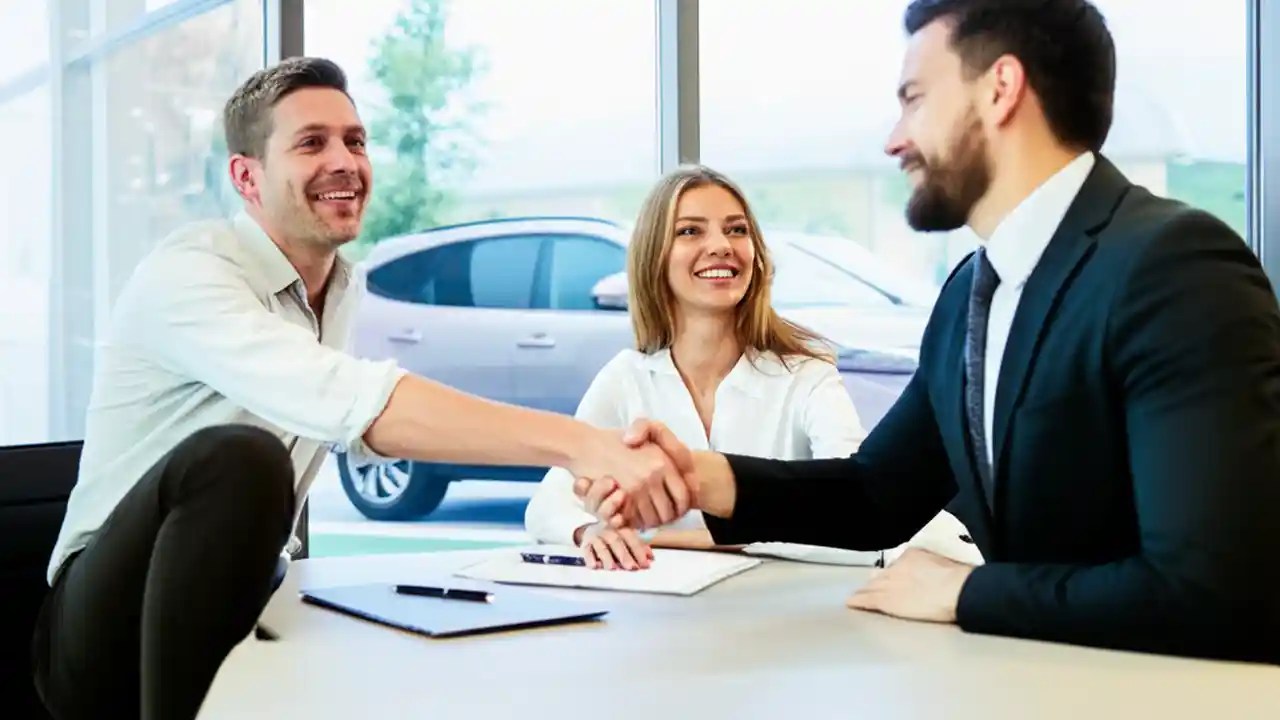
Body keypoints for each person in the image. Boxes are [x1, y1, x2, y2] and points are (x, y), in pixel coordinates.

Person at [576, 0, 1280, 663]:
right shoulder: (971, 292)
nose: (896, 140)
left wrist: (966, 592)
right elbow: (876, 495)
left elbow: (1215, 591)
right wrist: (702, 478)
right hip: (1034, 679)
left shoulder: (1175, 267)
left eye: (913, 98)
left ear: (1000, 89)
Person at [29, 57, 692, 720]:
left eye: (355, 141)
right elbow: (351, 401)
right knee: (238, 456)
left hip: (245, 598)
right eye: (311, 143)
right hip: (104, 634)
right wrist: (583, 445)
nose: (344, 162)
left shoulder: (341, 287)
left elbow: (367, 430)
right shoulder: (188, 273)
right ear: (246, 177)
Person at [524, 165, 977, 570]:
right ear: (653, 258)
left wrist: (695, 540)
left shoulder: (807, 374)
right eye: (690, 231)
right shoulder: (626, 378)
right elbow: (548, 503)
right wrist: (589, 531)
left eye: (736, 230)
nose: (721, 246)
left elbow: (862, 512)